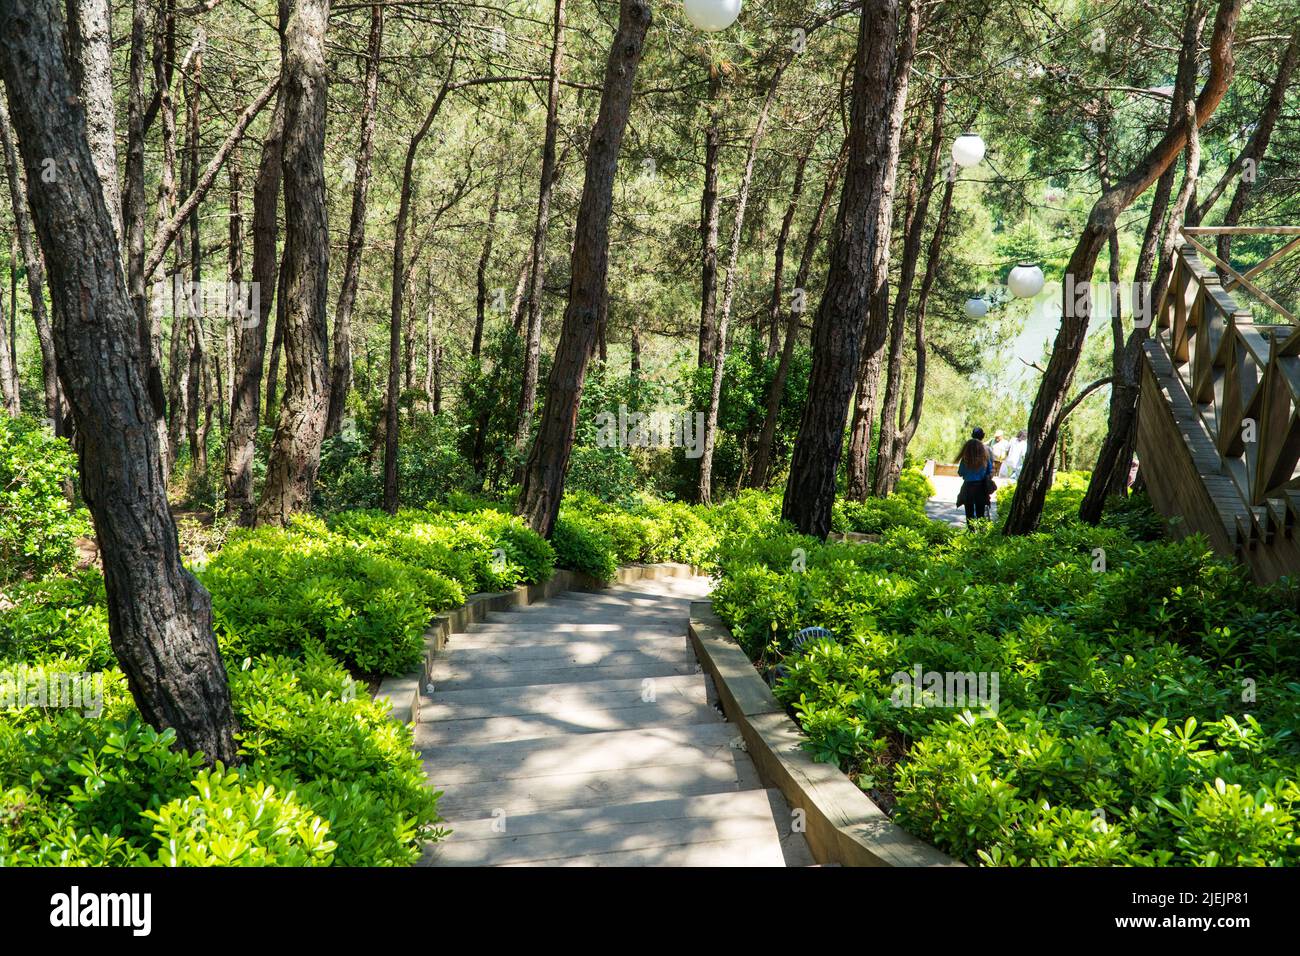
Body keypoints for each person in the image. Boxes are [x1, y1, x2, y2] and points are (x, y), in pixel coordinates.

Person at [957, 435, 993, 523]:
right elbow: (989, 471)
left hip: (968, 487)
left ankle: (971, 531)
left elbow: (960, 473)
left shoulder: (965, 459)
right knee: (980, 511)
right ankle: (980, 532)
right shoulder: (985, 459)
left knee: (969, 512)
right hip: (981, 487)